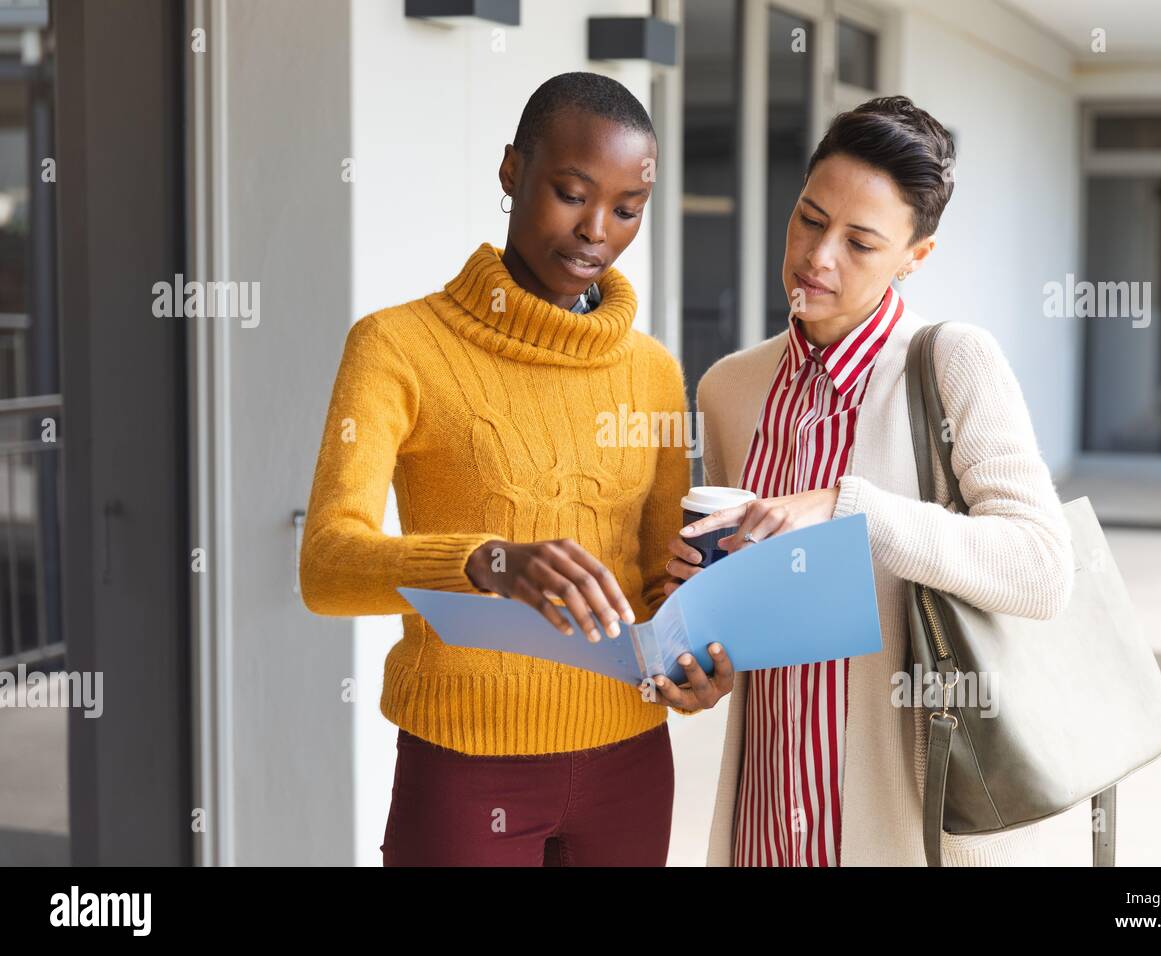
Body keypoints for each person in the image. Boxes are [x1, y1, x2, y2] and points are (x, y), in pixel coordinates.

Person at [300, 72, 732, 867]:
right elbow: (327, 564)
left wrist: (696, 662)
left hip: (632, 761)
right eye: (571, 193)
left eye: (627, 210)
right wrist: (492, 562)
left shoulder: (653, 372)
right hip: (466, 765)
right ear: (511, 171)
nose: (595, 230)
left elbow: (658, 586)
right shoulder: (396, 347)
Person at [667, 95, 1073, 866]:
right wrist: (700, 652)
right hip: (767, 816)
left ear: (915, 255)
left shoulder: (953, 363)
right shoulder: (728, 388)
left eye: (860, 242)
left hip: (903, 827)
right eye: (811, 220)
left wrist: (850, 509)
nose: (819, 258)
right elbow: (746, 615)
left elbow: (1042, 569)